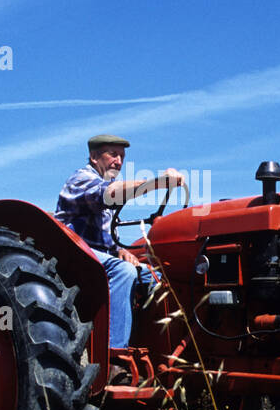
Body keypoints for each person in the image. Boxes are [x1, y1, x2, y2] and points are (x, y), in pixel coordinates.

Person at [55, 134, 185, 350]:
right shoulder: (82, 179)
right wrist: (157, 183)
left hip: (97, 255)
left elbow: (104, 236)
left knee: (156, 277)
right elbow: (110, 194)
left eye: (122, 156)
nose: (119, 161)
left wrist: (120, 250)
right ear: (94, 157)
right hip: (71, 254)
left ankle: (159, 352)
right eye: (113, 154)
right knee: (123, 271)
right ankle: (115, 356)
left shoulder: (105, 184)